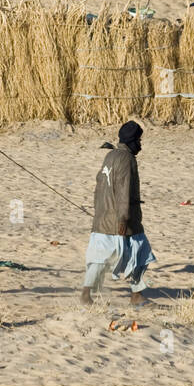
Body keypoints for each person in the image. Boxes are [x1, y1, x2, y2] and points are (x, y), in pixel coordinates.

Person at [79, 120, 156, 306]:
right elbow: (124, 190)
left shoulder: (111, 156)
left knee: (99, 259)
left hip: (103, 218)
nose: (140, 145)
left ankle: (87, 295)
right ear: (131, 141)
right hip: (122, 221)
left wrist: (99, 212)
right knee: (141, 253)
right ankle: (135, 296)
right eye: (138, 140)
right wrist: (123, 218)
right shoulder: (127, 159)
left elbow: (99, 186)